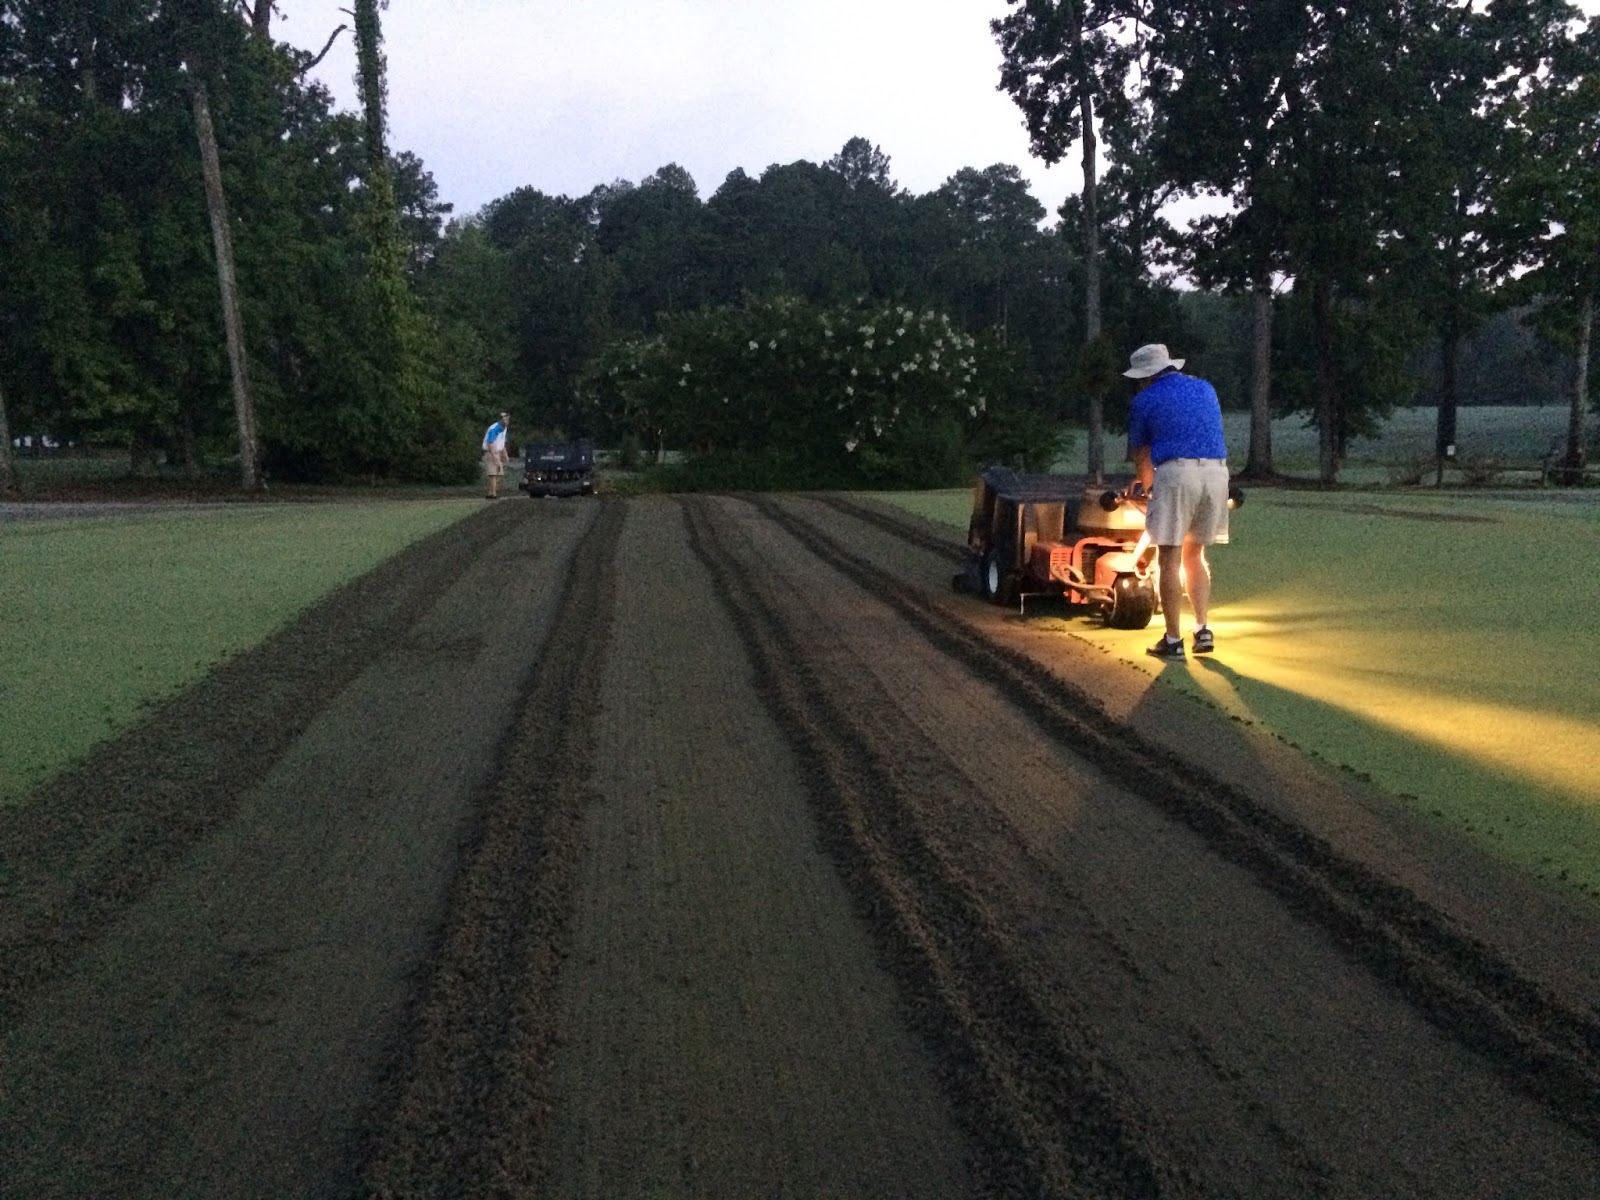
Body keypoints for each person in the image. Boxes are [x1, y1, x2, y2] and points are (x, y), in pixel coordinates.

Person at [1123, 343, 1229, 662]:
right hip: (1216, 473)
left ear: (1146, 376)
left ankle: (1172, 640)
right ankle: (1202, 629)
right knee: (1195, 554)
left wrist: (1149, 487)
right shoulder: (1205, 388)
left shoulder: (1143, 400)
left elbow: (1142, 455)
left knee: (1168, 556)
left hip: (1176, 472)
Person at [482, 411, 510, 499]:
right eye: (504, 419)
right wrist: (495, 458)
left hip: (497, 452)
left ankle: (490, 492)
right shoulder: (494, 429)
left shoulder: (504, 429)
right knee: (493, 474)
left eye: (507, 419)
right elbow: (490, 443)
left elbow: (502, 443)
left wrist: (505, 455)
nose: (506, 421)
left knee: (499, 474)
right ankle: (493, 493)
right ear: (500, 420)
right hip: (491, 452)